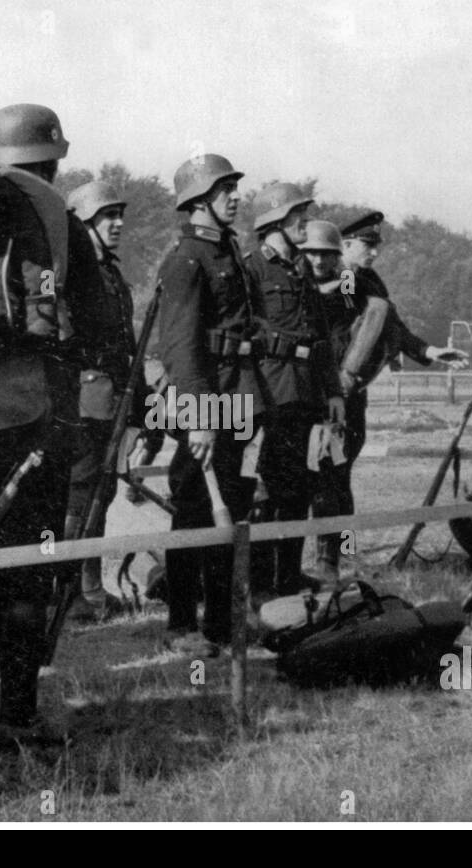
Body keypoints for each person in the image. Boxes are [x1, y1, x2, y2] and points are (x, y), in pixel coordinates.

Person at [0, 103, 114, 747]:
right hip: (34, 419)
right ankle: (17, 716)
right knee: (27, 572)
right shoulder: (56, 216)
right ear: (54, 159)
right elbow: (93, 324)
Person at [304, 218, 466, 585]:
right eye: (368, 245)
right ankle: (323, 561)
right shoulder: (322, 277)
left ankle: (341, 557)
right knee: (323, 478)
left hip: (351, 396)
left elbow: (391, 324)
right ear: (344, 244)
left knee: (339, 478)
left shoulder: (366, 283)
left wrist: (428, 350)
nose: (375, 253)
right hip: (319, 392)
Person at [155, 154, 264, 658]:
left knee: (235, 503)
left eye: (235, 188)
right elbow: (179, 345)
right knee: (193, 509)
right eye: (225, 190)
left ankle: (222, 622)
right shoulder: (186, 260)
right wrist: (198, 416)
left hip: (237, 393)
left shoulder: (229, 253)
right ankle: (181, 625)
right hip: (207, 397)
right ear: (198, 202)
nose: (236, 197)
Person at [243, 183, 344, 599]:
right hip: (272, 390)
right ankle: (262, 582)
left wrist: (333, 392)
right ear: (274, 220)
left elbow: (320, 336)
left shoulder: (301, 269)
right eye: (297, 215)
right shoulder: (251, 268)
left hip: (305, 391)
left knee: (299, 487)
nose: (306, 221)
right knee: (268, 490)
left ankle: (288, 576)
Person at [64, 179, 143, 622]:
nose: (117, 224)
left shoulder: (113, 275)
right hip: (82, 398)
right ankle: (70, 593)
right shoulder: (75, 274)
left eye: (118, 216)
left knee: (103, 494)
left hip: (112, 396)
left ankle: (90, 589)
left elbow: (129, 345)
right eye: (106, 216)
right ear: (84, 223)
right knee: (79, 499)